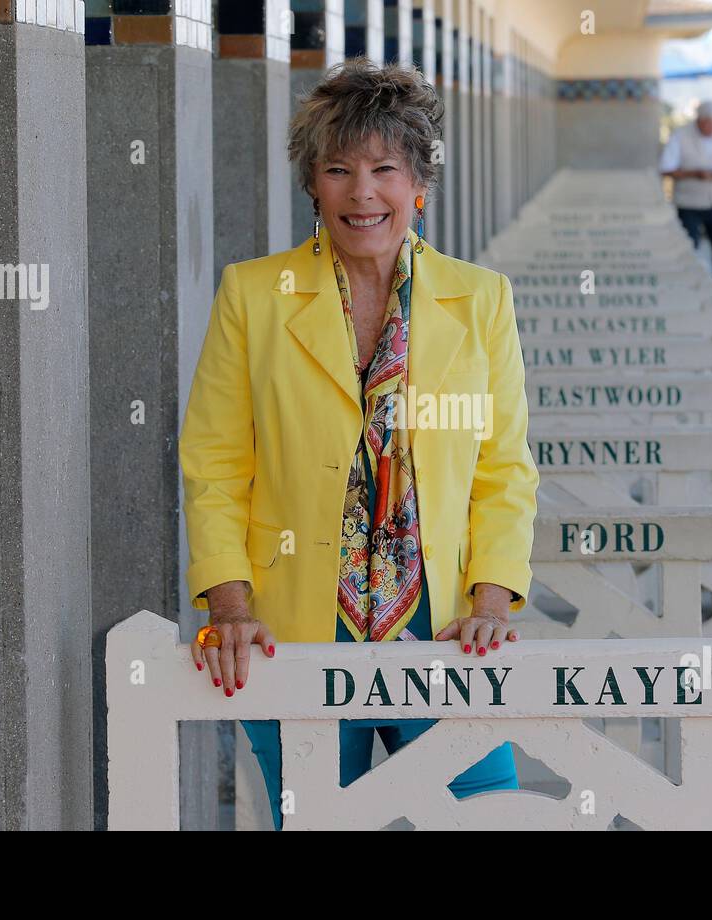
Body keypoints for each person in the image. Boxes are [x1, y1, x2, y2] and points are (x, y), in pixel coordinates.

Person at [179, 58, 540, 829]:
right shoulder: (253, 295)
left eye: (384, 168)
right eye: (337, 169)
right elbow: (214, 465)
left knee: (489, 817)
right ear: (313, 183)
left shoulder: (480, 300)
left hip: (442, 638)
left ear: (420, 184)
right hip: (293, 636)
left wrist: (491, 600)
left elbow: (502, 467)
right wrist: (230, 605)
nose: (361, 192)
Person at [660, 100, 712, 320]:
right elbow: (667, 168)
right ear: (699, 121)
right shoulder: (680, 136)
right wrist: (695, 174)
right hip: (689, 204)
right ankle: (685, 302)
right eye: (707, 123)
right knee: (688, 253)